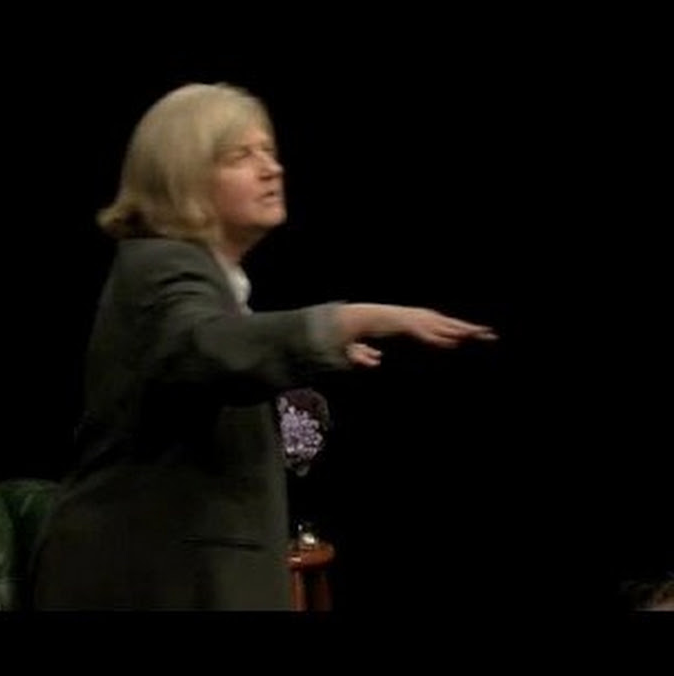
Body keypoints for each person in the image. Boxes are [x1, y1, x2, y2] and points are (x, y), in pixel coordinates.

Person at [30, 82, 498, 611]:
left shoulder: (209, 281)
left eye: (269, 151)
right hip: (147, 580)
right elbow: (206, 346)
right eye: (241, 156)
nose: (271, 168)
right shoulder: (159, 268)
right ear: (184, 176)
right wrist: (350, 320)